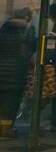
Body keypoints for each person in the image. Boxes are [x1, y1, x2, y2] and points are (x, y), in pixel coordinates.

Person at [0, 8, 33, 137]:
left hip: (1, 70)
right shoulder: (26, 31)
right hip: (17, 72)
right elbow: (30, 50)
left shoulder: (4, 28)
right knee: (12, 103)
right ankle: (6, 131)